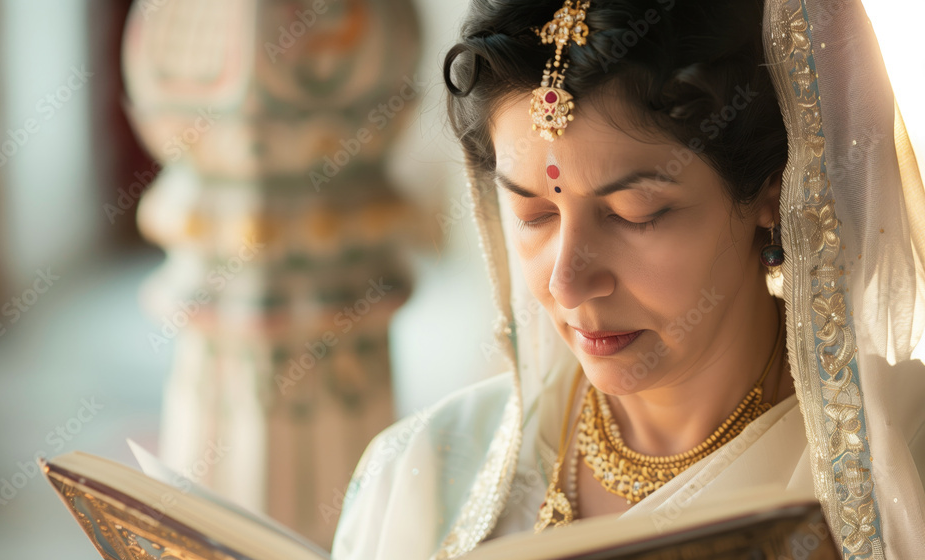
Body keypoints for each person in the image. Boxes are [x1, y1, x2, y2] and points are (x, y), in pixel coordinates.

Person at [330, 0, 925, 558]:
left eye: (633, 215)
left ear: (775, 191)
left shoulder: (897, 473)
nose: (567, 283)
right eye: (534, 216)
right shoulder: (420, 476)